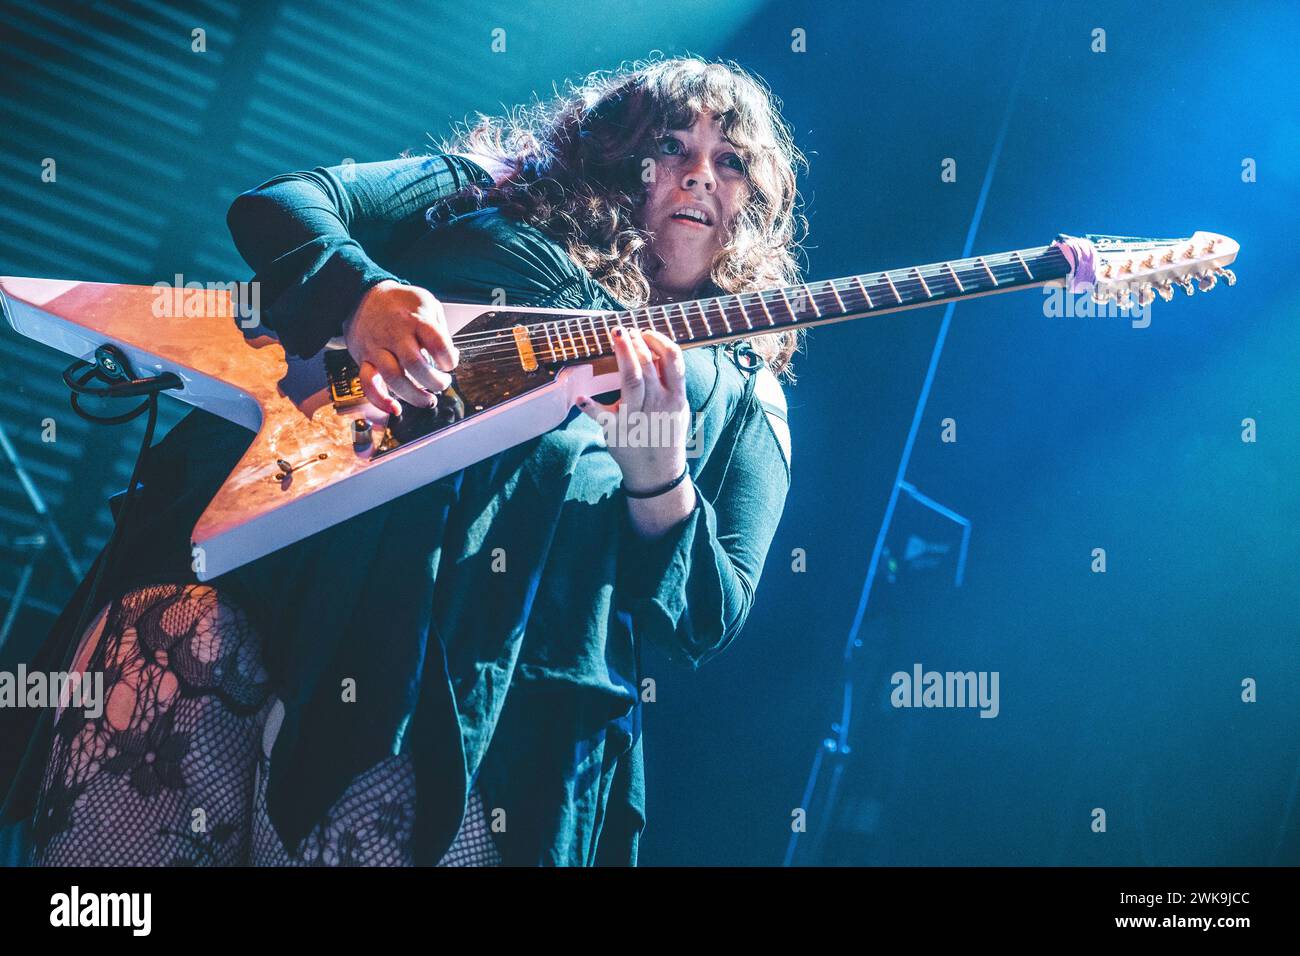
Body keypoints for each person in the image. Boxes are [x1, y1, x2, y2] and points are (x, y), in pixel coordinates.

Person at [0, 56, 801, 866]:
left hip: (470, 674)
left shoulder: (743, 391)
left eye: (731, 161)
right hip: (261, 563)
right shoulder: (492, 189)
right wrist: (363, 296)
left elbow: (709, 616)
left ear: (758, 202)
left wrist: (661, 477)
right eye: (670, 144)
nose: (699, 174)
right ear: (614, 148)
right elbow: (284, 202)